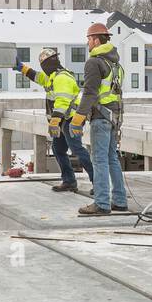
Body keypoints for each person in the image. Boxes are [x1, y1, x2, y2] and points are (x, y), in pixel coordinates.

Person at [16, 47, 93, 192]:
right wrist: (22, 68)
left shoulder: (62, 78)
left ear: (48, 64)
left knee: (77, 149)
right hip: (62, 120)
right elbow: (37, 77)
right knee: (58, 149)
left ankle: (98, 182)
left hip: (70, 119)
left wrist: (54, 122)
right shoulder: (53, 77)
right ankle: (69, 181)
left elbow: (62, 102)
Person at [69, 23, 127, 214]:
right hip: (114, 116)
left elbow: (90, 93)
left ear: (95, 39)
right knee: (112, 159)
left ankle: (101, 203)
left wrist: (78, 118)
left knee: (99, 160)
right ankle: (119, 201)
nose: (88, 44)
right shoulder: (115, 64)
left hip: (101, 117)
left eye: (88, 40)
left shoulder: (94, 63)